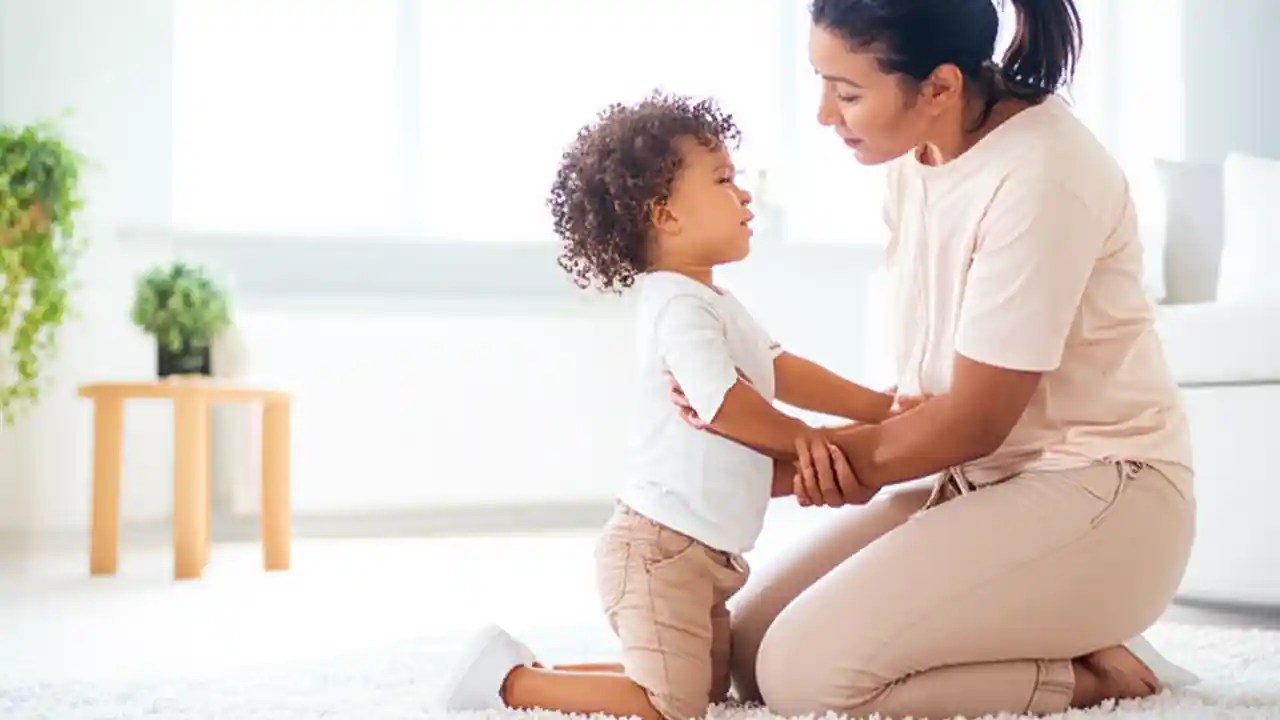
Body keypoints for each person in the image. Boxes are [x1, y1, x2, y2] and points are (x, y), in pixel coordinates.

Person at [670, 0, 1200, 717]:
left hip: (1100, 492)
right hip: (981, 485)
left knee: (808, 679)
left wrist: (784, 466)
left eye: (848, 92)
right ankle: (1040, 634)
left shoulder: (1043, 173)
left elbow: (973, 422)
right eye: (822, 83)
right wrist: (776, 451)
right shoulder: (918, 157)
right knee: (747, 648)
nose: (825, 114)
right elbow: (935, 394)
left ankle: (1100, 676)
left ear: (941, 87)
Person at [438, 91, 895, 720]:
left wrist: (877, 405)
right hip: (661, 552)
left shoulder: (713, 301)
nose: (744, 195)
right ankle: (510, 686)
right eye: (724, 179)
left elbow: (780, 369)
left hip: (701, 554)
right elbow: (721, 404)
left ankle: (535, 671)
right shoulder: (677, 305)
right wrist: (801, 438)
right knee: (672, 706)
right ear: (667, 216)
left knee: (698, 690)